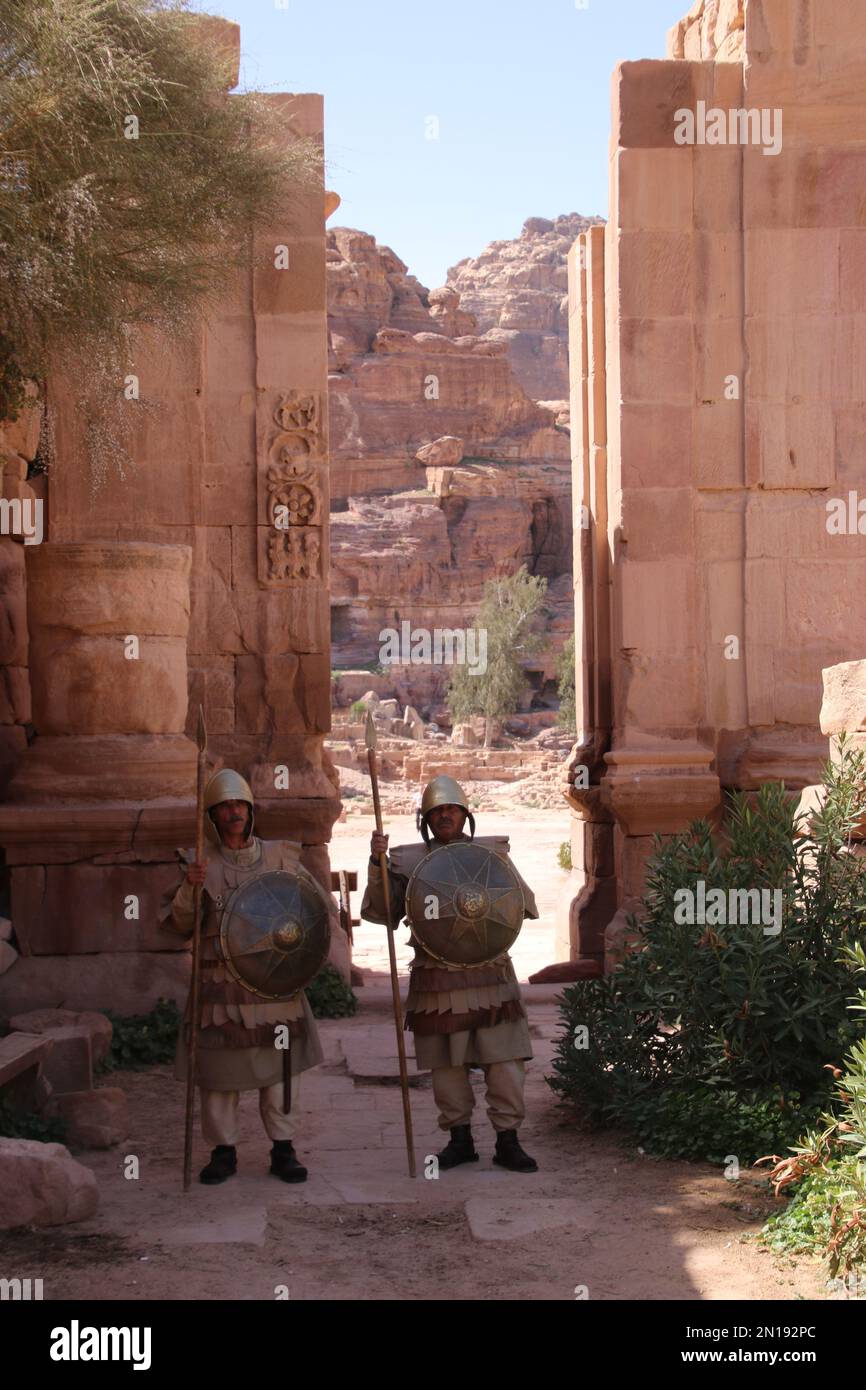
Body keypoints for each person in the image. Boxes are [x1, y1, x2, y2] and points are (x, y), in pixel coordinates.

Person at [159, 768, 332, 1186]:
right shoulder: (198, 863)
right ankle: (223, 1152)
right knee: (219, 1074)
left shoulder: (280, 858)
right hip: (220, 991)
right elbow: (179, 925)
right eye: (224, 807)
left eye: (240, 805)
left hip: (274, 986)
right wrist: (190, 887)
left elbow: (314, 909)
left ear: (250, 811)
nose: (234, 812)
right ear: (212, 816)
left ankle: (283, 1149)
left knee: (281, 1072)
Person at [361, 775, 539, 1172]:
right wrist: (378, 865)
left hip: (491, 974)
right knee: (447, 1066)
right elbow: (384, 913)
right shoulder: (407, 861)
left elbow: (522, 905)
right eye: (437, 811)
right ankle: (460, 1140)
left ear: (465, 815)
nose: (445, 815)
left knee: (505, 1061)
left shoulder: (492, 856)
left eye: (452, 809)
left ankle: (508, 1140)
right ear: (425, 819)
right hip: (436, 977)